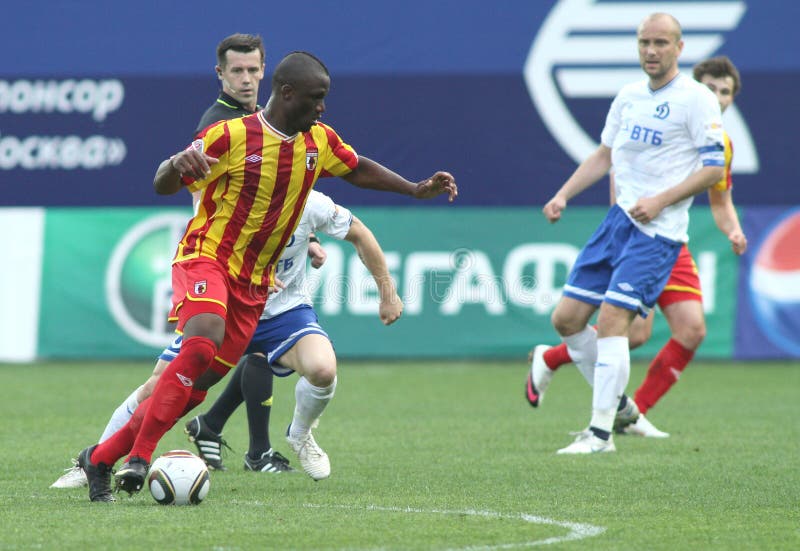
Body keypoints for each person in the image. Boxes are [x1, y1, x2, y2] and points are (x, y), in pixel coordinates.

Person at [77, 50, 457, 502]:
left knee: (192, 391)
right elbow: (163, 181)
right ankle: (140, 455)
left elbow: (358, 169)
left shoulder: (318, 141)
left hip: (254, 285)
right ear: (288, 93)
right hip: (206, 258)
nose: (322, 108)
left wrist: (414, 189)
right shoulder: (232, 135)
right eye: (316, 99)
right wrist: (175, 164)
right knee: (200, 341)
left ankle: (98, 459)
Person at [49, 32, 295, 490]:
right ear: (219, 74)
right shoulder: (218, 122)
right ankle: (96, 462)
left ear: (265, 71)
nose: (245, 78)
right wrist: (246, 252)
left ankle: (103, 458)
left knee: (190, 383)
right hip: (218, 265)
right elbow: (209, 192)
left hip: (250, 270)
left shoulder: (268, 121)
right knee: (169, 377)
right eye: (236, 70)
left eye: (252, 69)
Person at [525, 56, 747, 439]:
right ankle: (609, 412)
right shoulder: (668, 117)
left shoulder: (720, 145)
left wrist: (733, 231)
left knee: (691, 331)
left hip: (673, 242)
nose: (717, 97)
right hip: (640, 236)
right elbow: (619, 167)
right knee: (628, 330)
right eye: (710, 88)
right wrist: (624, 220)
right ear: (695, 88)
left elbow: (720, 201)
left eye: (724, 92)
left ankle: (627, 409)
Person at [184, 188, 402, 480]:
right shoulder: (231, 183)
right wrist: (250, 272)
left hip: (284, 310)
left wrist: (387, 293)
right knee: (171, 384)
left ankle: (294, 435)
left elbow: (358, 231)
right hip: (229, 307)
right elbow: (202, 225)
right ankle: (128, 455)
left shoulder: (307, 196)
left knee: (322, 370)